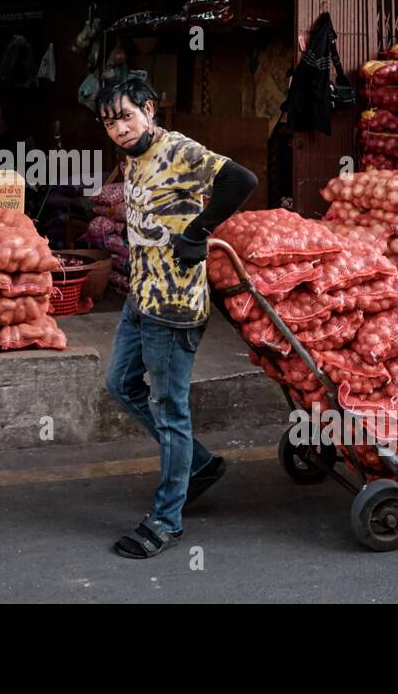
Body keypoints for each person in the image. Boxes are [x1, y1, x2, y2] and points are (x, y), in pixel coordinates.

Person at [97, 77, 258, 558]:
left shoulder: (180, 151)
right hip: (140, 298)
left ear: (148, 108)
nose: (119, 129)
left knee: (171, 414)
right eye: (109, 123)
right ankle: (200, 466)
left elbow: (241, 179)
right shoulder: (133, 158)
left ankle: (166, 521)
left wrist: (200, 229)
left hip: (173, 306)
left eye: (126, 116)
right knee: (121, 384)